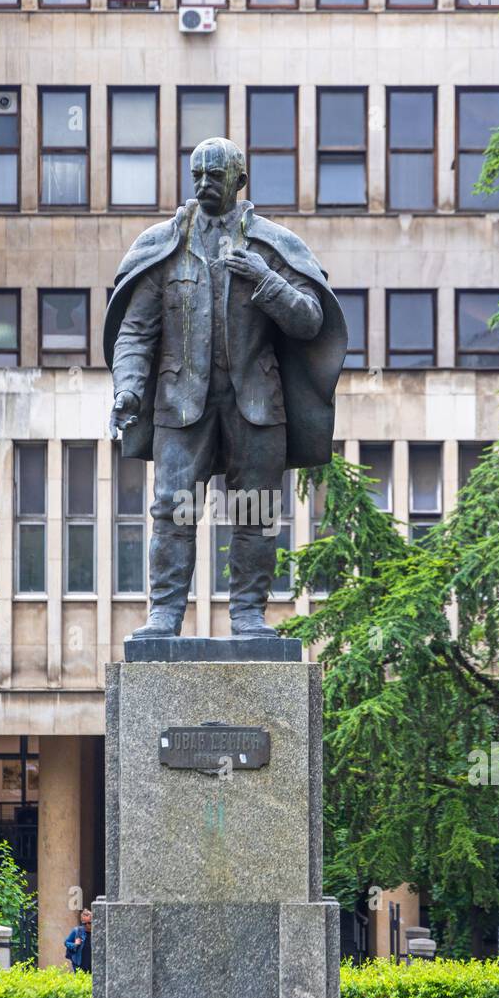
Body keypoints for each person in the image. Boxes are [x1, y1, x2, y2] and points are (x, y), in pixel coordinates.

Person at [104, 137, 347, 639]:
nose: (203, 184)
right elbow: (136, 330)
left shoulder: (270, 245)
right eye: (197, 175)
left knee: (254, 513)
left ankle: (248, 615)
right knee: (173, 509)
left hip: (256, 403)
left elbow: (309, 321)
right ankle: (165, 615)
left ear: (240, 180)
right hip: (181, 404)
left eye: (214, 176)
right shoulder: (166, 243)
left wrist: (266, 280)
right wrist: (127, 390)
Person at [64, 909, 92, 974]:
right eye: (85, 923)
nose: (87, 925)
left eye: (89, 923)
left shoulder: (97, 931)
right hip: (79, 963)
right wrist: (75, 944)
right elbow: (66, 942)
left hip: (92, 963)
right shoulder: (77, 931)